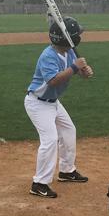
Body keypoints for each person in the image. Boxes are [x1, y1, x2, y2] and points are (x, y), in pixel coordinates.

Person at [24, 17, 94, 199]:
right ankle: (39, 183)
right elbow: (54, 80)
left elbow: (76, 71)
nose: (80, 35)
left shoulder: (68, 52)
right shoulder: (48, 56)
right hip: (38, 104)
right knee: (50, 140)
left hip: (53, 102)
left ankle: (66, 170)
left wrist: (84, 72)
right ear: (68, 38)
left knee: (69, 131)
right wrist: (74, 67)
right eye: (77, 33)